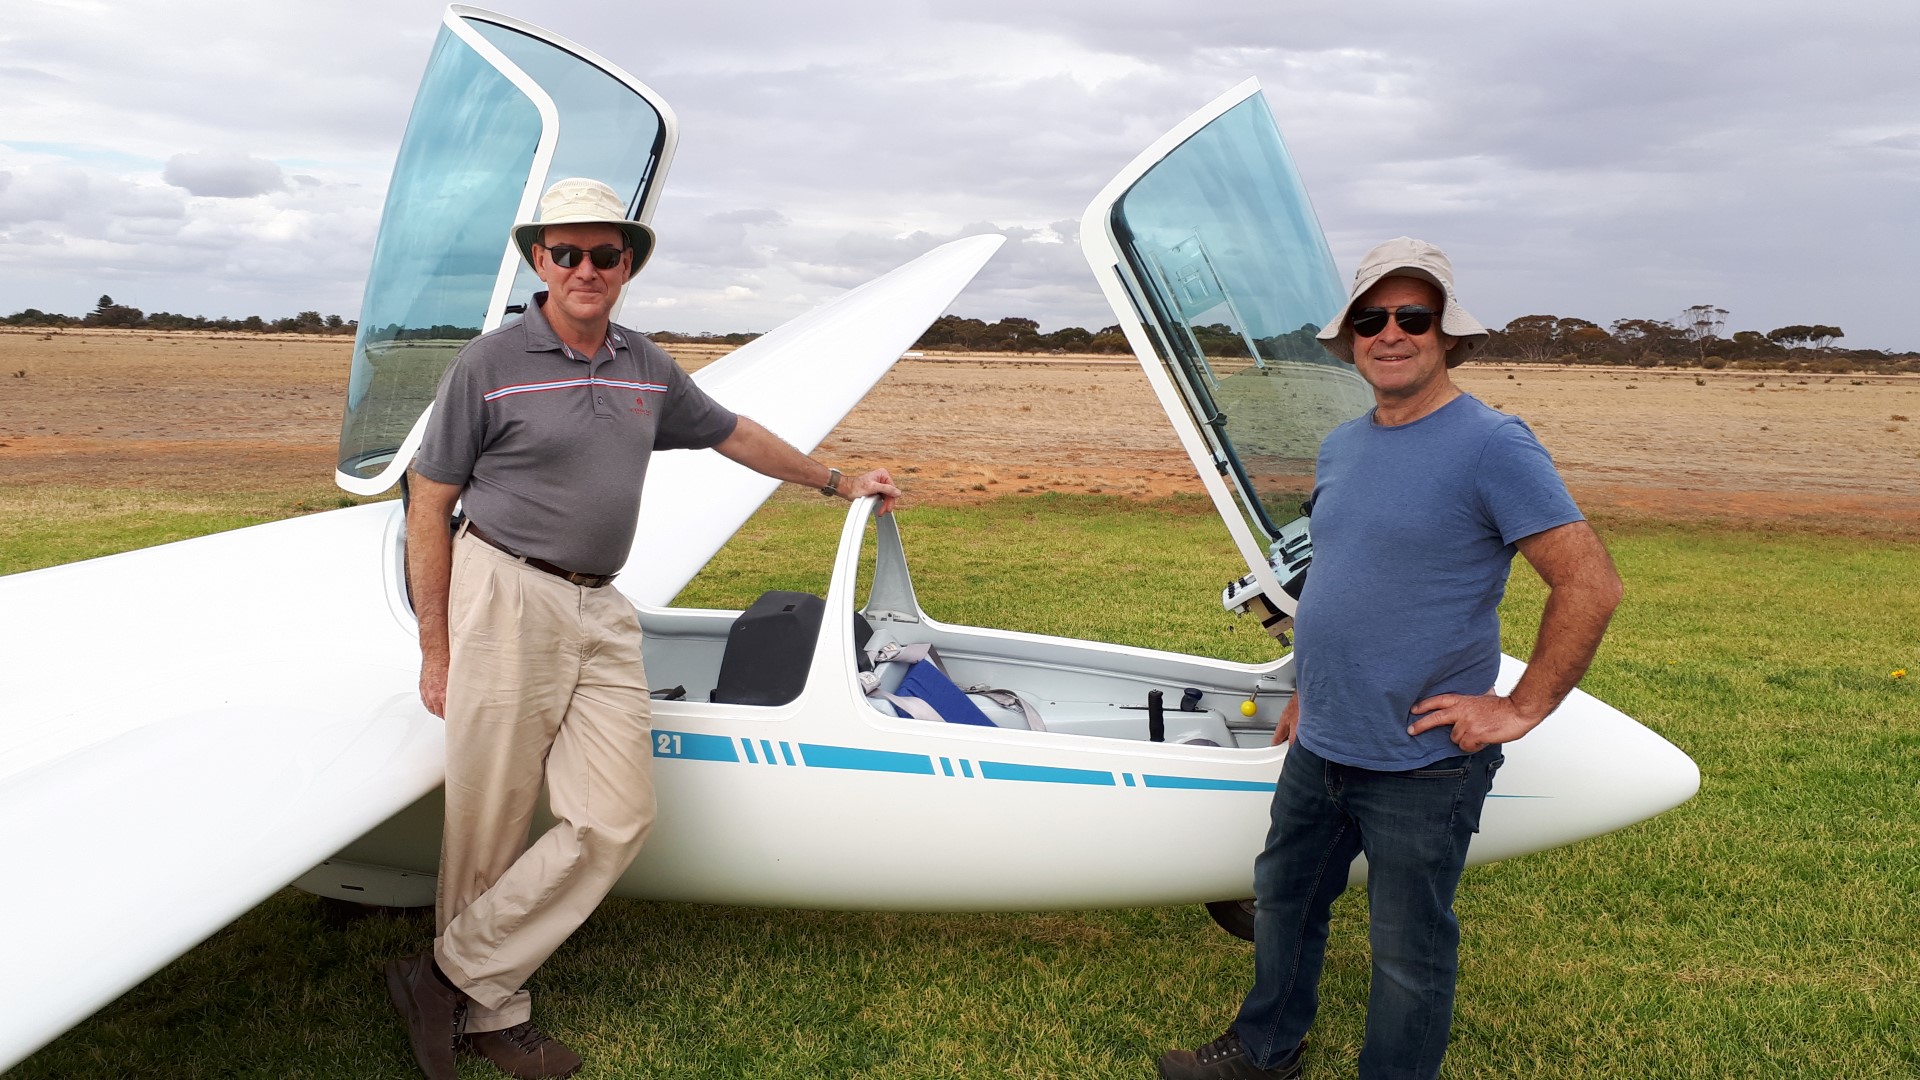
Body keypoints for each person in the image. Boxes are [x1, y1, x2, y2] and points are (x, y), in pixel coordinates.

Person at [384, 177, 900, 1080]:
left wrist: (835, 481)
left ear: (628, 265)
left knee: (616, 819)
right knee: (490, 815)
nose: (585, 269)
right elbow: (428, 504)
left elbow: (731, 432)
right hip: (504, 593)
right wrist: (438, 649)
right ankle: (491, 1012)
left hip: (603, 603)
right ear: (539, 260)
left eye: (605, 254)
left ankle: (441, 979)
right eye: (566, 253)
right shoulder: (489, 363)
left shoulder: (644, 364)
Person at [1157, 238, 1623, 1080]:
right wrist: (1309, 688)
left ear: (1448, 334)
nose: (1391, 333)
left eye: (1414, 316)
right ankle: (1264, 1055)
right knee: (1286, 905)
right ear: (1351, 339)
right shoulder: (1344, 445)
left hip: (1422, 760)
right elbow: (1341, 573)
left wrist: (1519, 707)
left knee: (1408, 950)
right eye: (1372, 319)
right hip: (1323, 740)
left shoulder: (1493, 444)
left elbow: (1590, 584)